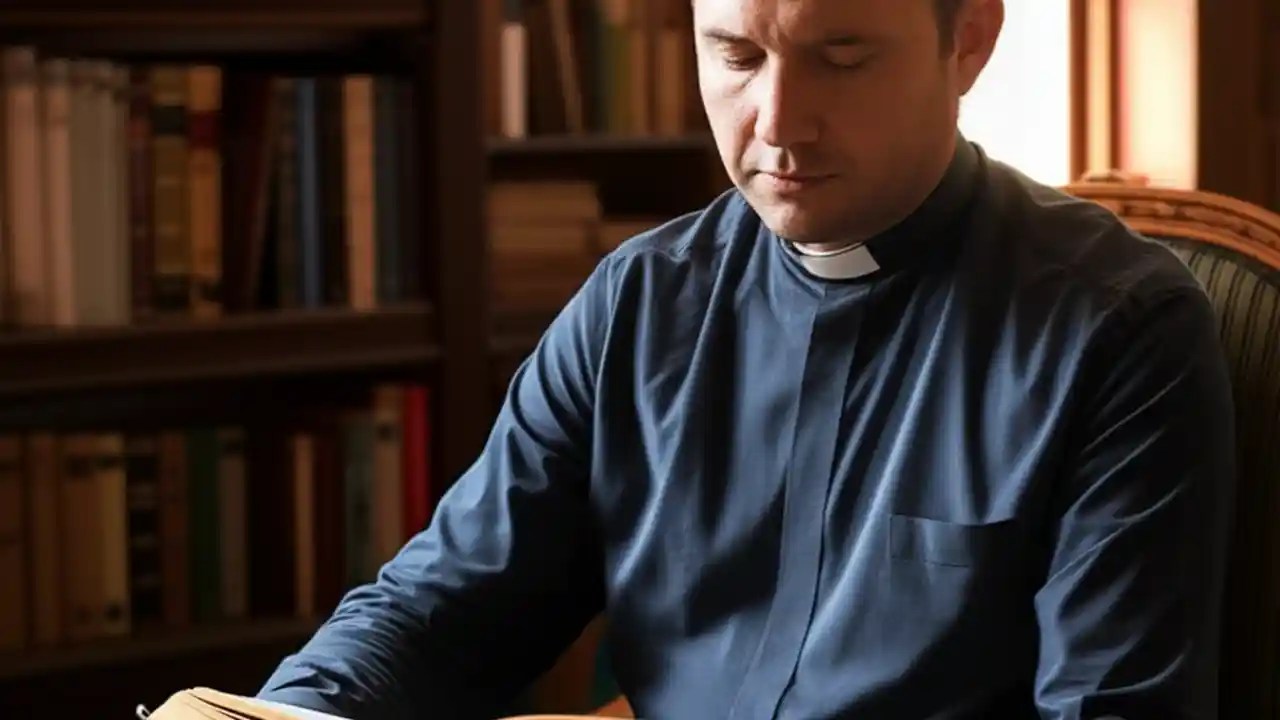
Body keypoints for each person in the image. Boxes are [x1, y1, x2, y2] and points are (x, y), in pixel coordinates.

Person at [256, 0, 1237, 717]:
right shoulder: (637, 302)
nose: (774, 124)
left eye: (840, 57)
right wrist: (298, 710)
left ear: (969, 39)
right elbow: (439, 607)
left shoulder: (1116, 331)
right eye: (733, 54)